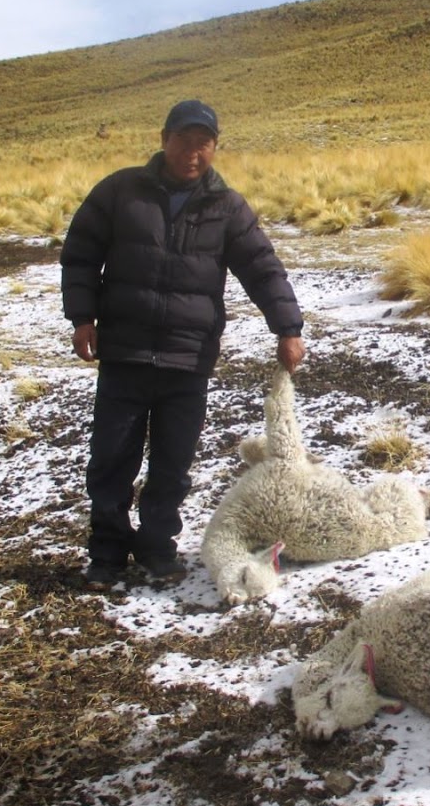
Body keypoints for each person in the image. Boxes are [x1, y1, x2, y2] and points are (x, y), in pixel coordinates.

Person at [61, 99, 305, 589]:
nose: (192, 153)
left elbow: (261, 268)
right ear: (163, 139)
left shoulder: (226, 207)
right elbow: (81, 253)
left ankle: (157, 548)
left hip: (187, 360)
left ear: (214, 148)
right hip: (125, 354)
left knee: (172, 465)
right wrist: (82, 317)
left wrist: (288, 327)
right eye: (183, 141)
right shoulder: (120, 191)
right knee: (112, 459)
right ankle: (106, 554)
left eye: (204, 144)